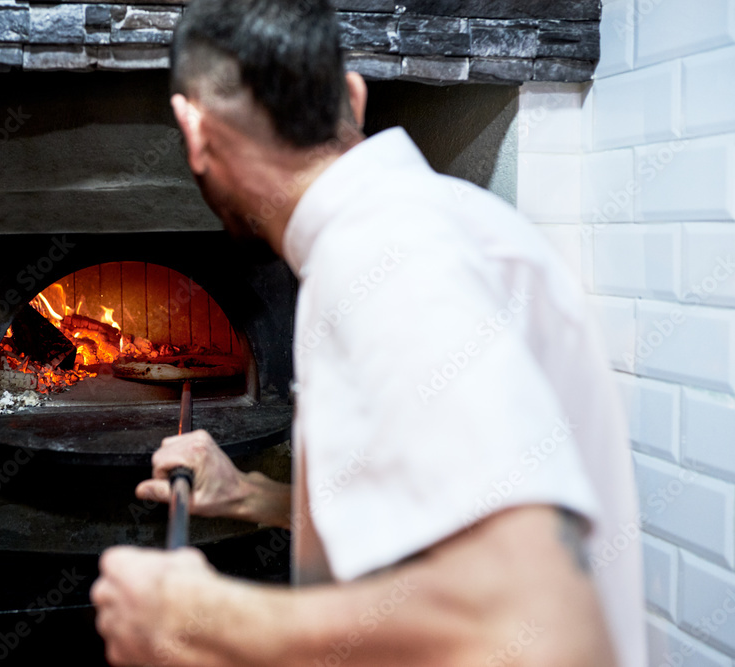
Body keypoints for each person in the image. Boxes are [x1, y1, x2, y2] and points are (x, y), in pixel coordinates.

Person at [90, 0, 645, 664]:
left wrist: (204, 618)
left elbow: (544, 624)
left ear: (193, 128)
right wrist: (257, 497)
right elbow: (440, 517)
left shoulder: (382, 254)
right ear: (354, 94)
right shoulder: (437, 218)